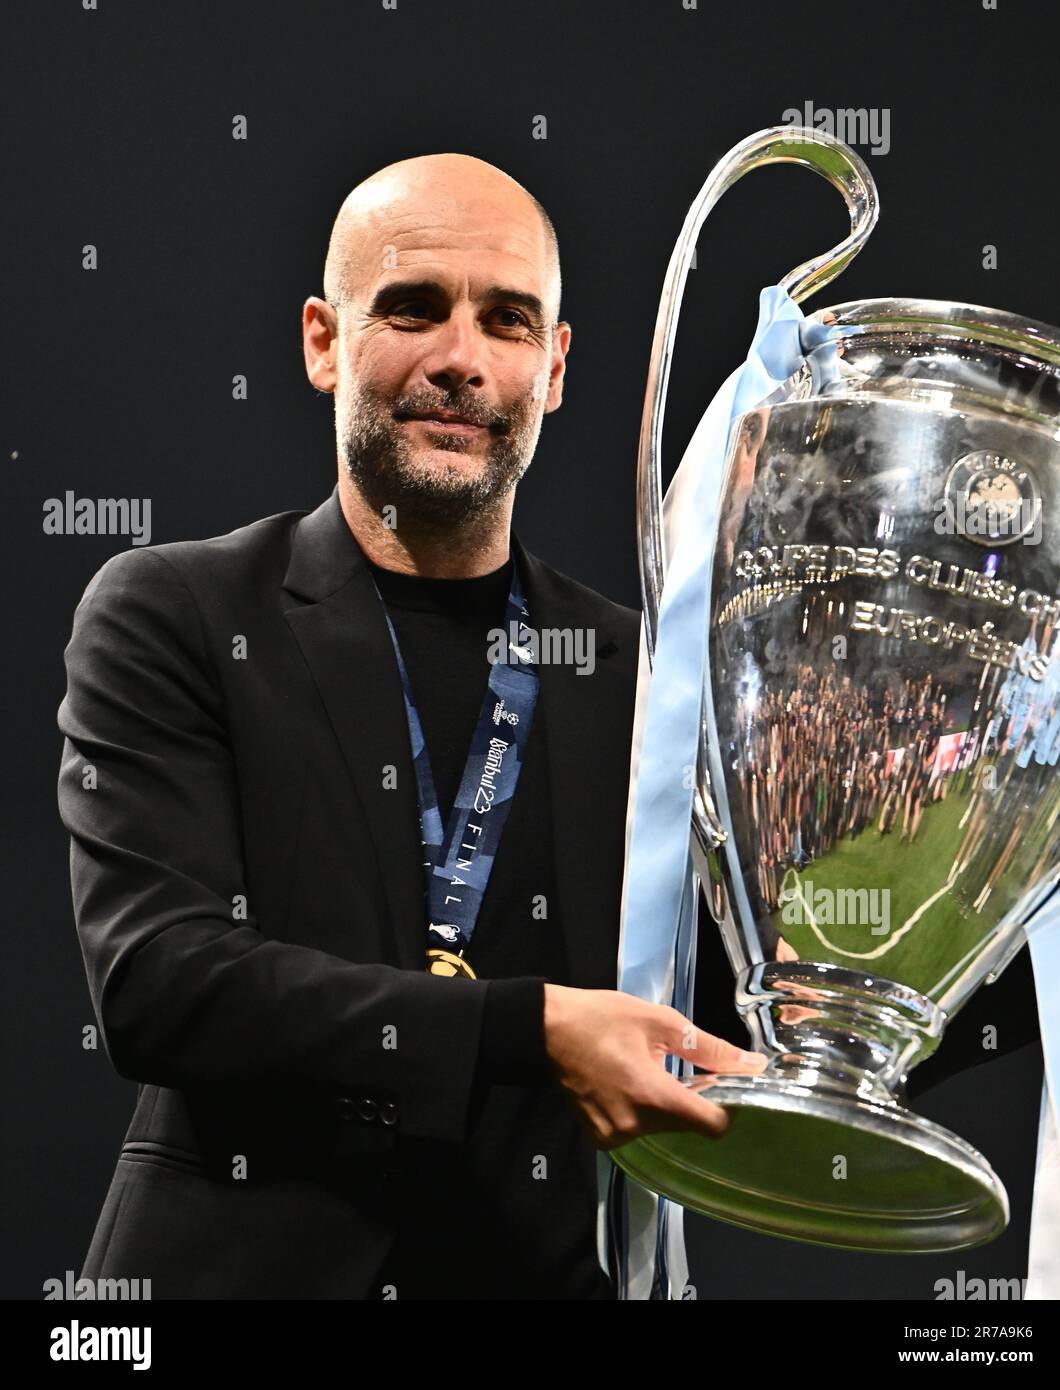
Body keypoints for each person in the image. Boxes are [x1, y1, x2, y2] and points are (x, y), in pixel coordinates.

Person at [56, 152, 767, 1301]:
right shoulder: (175, 611)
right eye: (414, 306)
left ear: (557, 367)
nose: (462, 359)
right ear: (324, 341)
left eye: (509, 320)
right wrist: (524, 1027)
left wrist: (1009, 878)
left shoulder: (645, 679)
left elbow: (732, 1019)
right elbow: (161, 983)